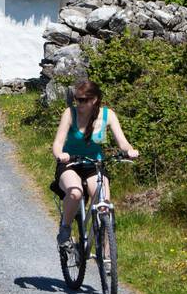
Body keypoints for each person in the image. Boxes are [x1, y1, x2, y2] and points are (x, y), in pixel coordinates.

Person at [50, 80, 138, 248]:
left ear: (95, 99)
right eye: (77, 99)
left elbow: (123, 143)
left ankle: (106, 256)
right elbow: (58, 142)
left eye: (84, 100)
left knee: (104, 205)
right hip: (70, 163)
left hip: (94, 165)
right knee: (75, 193)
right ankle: (65, 229)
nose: (79, 103)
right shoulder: (70, 113)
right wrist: (60, 155)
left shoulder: (108, 115)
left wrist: (129, 150)